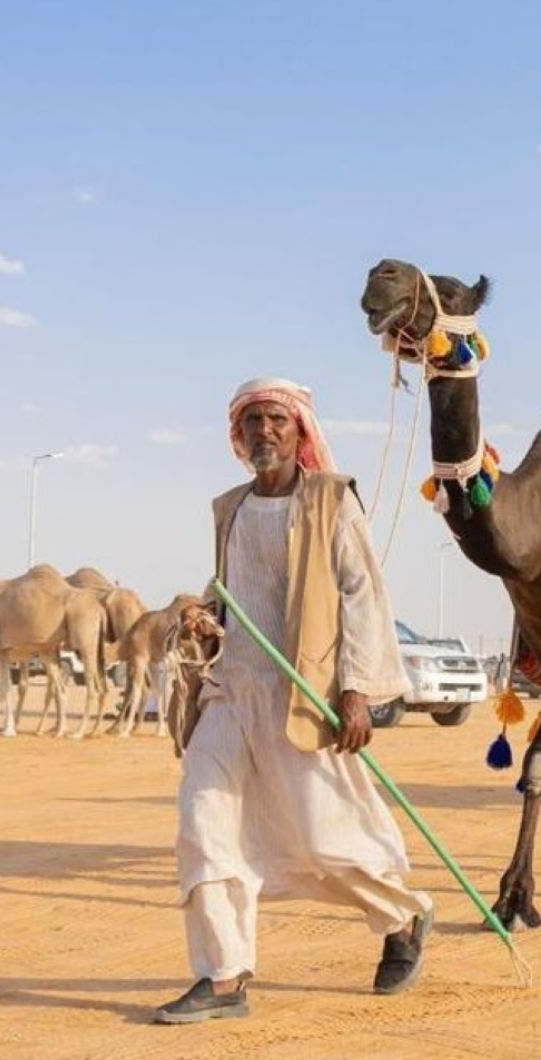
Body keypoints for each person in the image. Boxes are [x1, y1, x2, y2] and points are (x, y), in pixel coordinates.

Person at [151, 377, 430, 1026]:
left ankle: (401, 916)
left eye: (276, 419)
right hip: (230, 693)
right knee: (202, 825)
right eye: (252, 422)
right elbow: (235, 592)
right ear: (238, 434)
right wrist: (205, 616)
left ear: (300, 428)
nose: (264, 432)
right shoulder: (229, 508)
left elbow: (361, 593)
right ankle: (223, 976)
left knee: (324, 838)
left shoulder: (331, 499)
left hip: (301, 692)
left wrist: (357, 689)